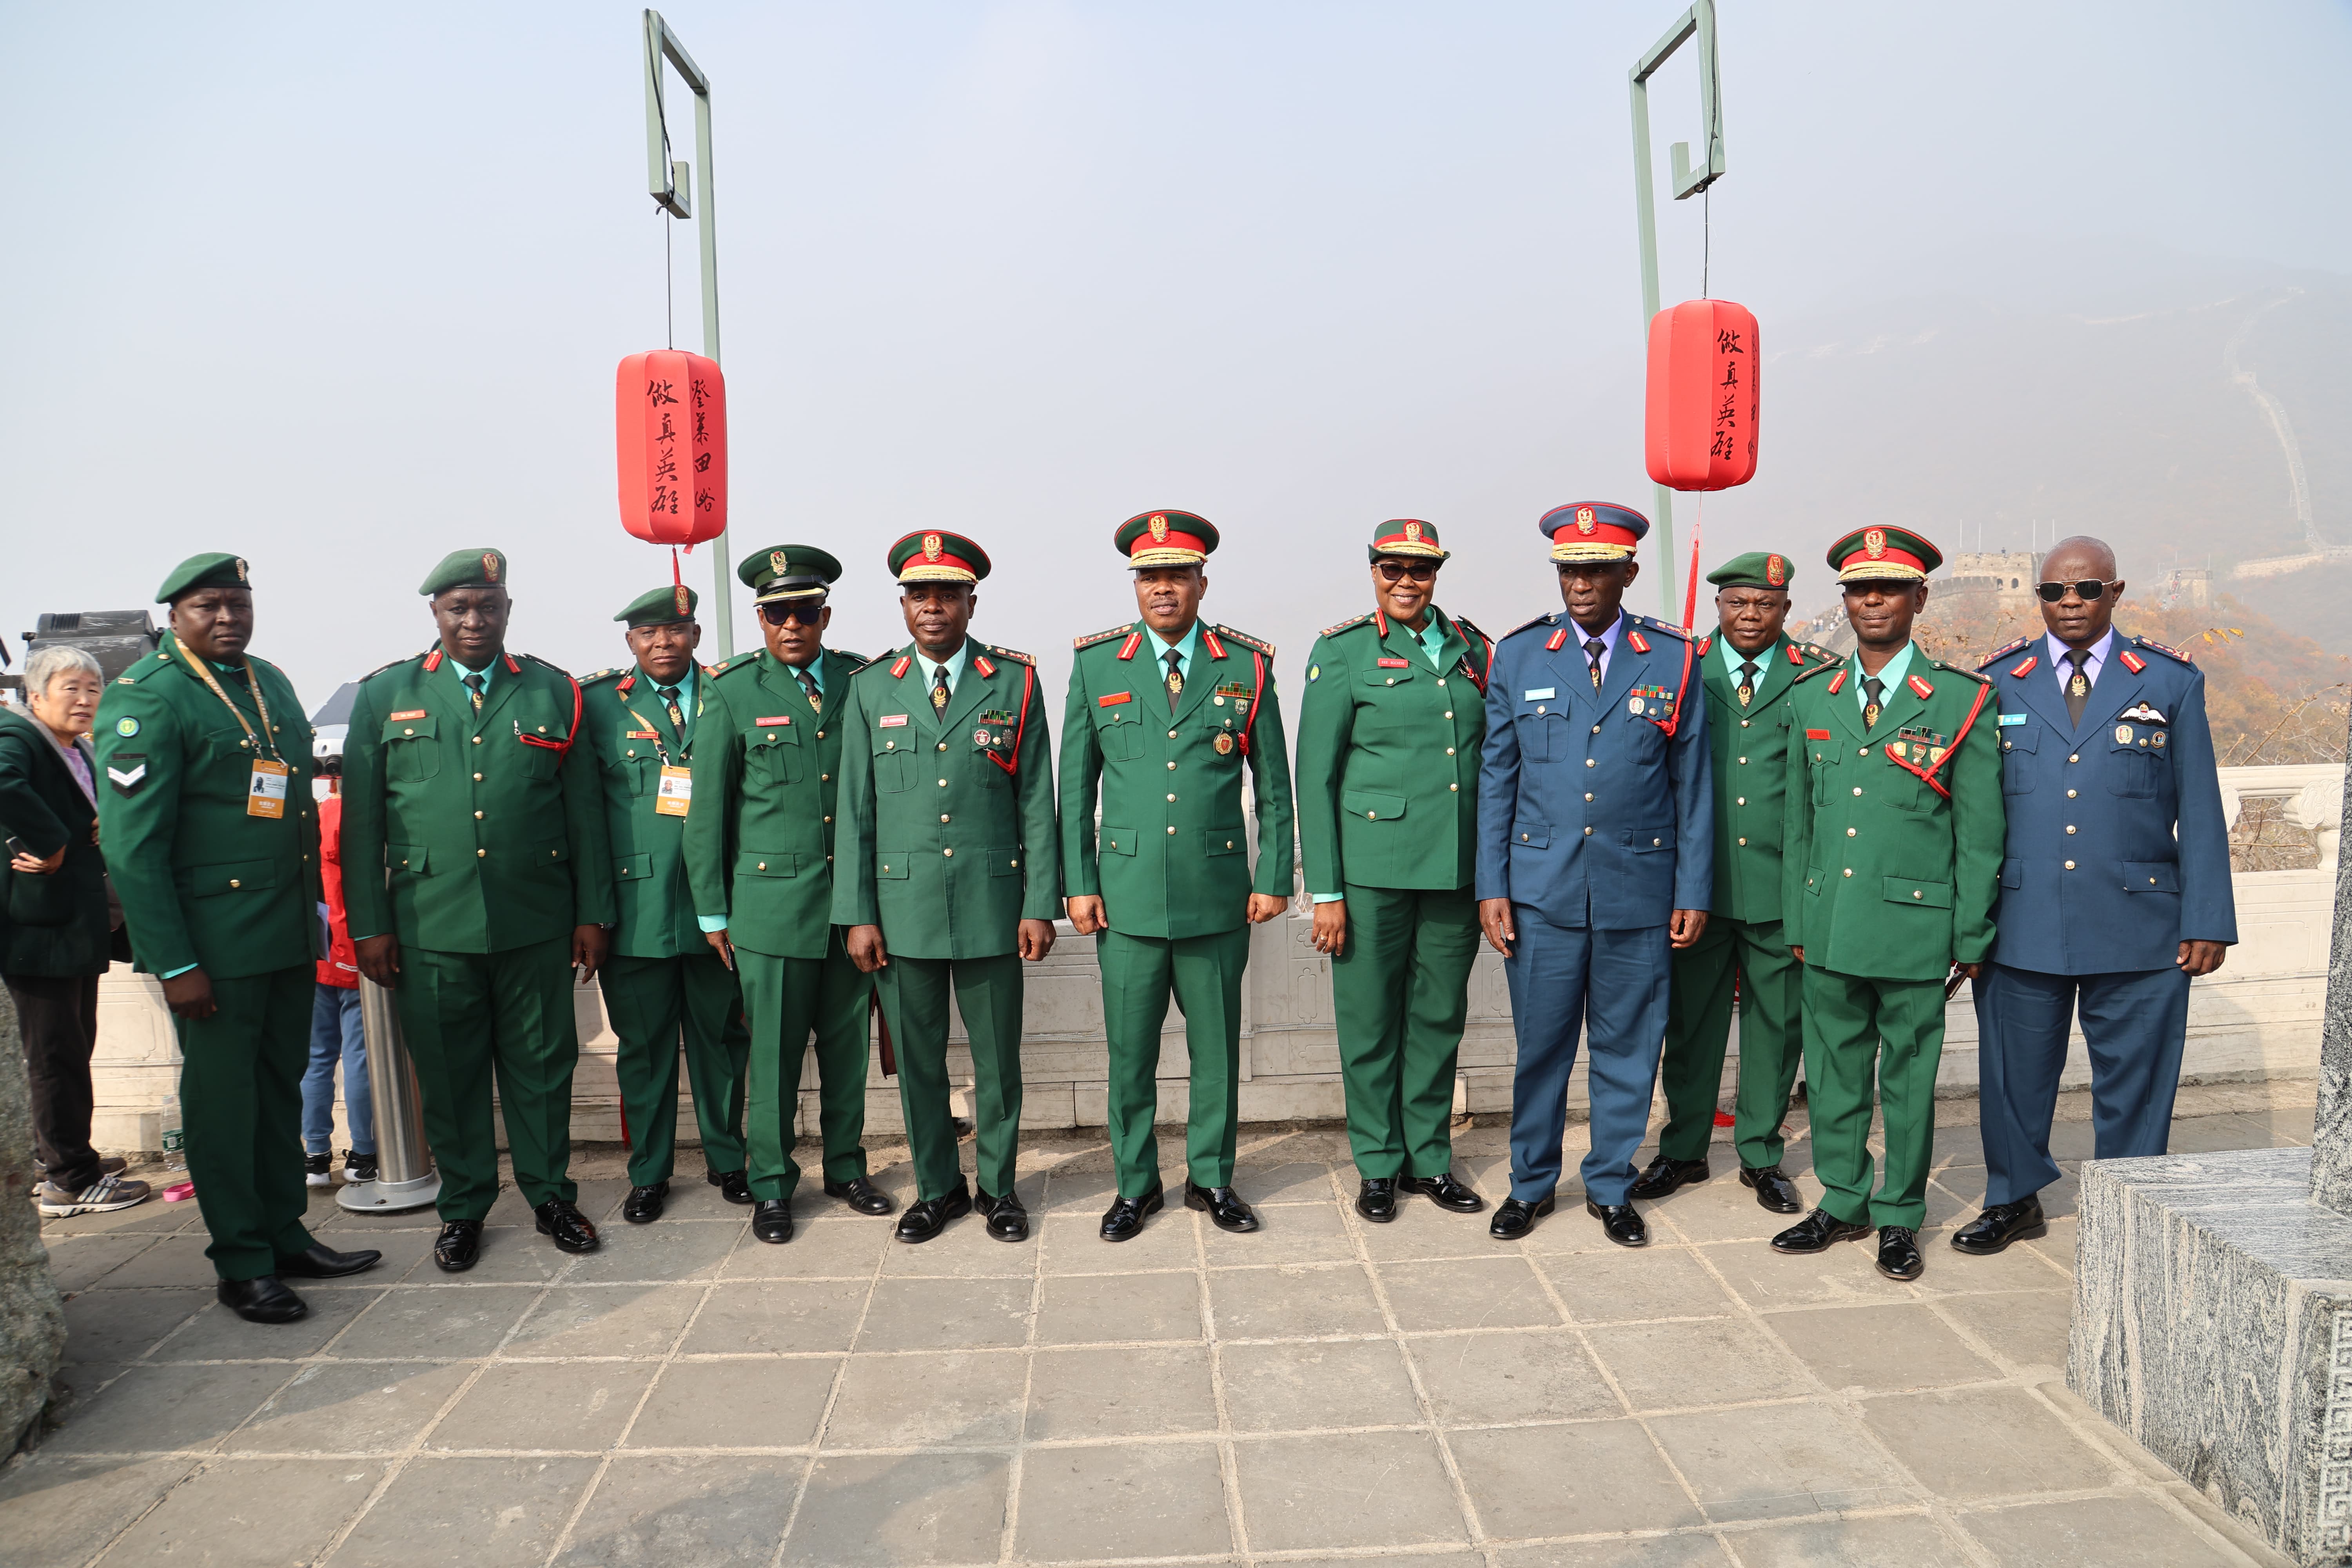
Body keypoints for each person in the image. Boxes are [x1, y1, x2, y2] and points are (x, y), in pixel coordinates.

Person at [92, 554, 379, 1322]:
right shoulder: (147, 699)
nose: (228, 617)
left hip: (286, 935)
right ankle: (243, 1263)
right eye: (209, 605)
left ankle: (286, 1233)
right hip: (212, 950)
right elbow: (134, 848)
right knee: (222, 1106)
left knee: (274, 1090)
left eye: (239, 602)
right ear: (175, 615)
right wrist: (176, 961)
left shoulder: (270, 680)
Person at [1955, 535, 2235, 1256]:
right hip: (2022, 919)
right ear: (2037, 598)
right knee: (2015, 1076)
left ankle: (2130, 1209)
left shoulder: (2170, 683)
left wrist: (2208, 918)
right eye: (2053, 592)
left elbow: (2199, 809)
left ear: (2115, 592)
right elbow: (1971, 816)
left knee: (2137, 1081)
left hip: (2138, 919)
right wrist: (1966, 923)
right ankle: (2013, 1197)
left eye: (2084, 590)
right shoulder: (1999, 682)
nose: (2069, 603)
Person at [341, 548, 615, 1273]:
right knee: (451, 1074)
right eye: (459, 608)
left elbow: (583, 813)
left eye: (488, 607)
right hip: (431, 927)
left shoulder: (555, 692)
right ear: (435, 613)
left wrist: (592, 914)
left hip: (535, 923)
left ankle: (552, 1195)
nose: (474, 620)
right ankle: (463, 1209)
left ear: (507, 612)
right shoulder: (385, 695)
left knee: (543, 1069)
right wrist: (370, 925)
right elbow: (362, 826)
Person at [1475, 503, 1711, 1247]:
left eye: (1598, 568)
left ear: (1629, 573)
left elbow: (1693, 785)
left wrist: (1693, 891)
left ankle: (1611, 1184)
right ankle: (1532, 1185)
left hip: (1638, 891)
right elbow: (1497, 780)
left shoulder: (1672, 658)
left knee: (1627, 1047)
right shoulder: (1518, 656)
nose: (1582, 582)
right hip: (1540, 893)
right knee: (1541, 1047)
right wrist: (1492, 885)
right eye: (1570, 568)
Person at [1773, 526, 2003, 1281]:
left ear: (1919, 598)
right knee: (1835, 1074)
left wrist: (1971, 934)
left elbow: (1978, 834)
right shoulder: (1813, 695)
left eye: (1889, 588)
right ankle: (1844, 1200)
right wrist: (1799, 920)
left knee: (1907, 1081)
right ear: (1844, 598)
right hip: (1830, 925)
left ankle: (1900, 1214)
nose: (1872, 601)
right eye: (1859, 588)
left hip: (1914, 927)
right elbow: (1799, 824)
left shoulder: (1962, 702)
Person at [1061, 510, 1295, 1242]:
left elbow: (1276, 786)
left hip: (1217, 895)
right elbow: (1075, 786)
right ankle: (1136, 1186)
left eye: (1176, 576)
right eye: (1149, 577)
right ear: (1136, 586)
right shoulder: (1099, 665)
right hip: (1125, 900)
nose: (1163, 590)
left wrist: (1275, 875)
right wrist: (1079, 882)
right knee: (1130, 1056)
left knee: (1215, 1052)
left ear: (1201, 582)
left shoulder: (1246, 665)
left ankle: (1212, 1179)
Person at [832, 530, 1060, 1243]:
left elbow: (1037, 802)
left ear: (971, 601)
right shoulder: (871, 688)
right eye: (919, 594)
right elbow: (856, 812)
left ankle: (998, 1189)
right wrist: (858, 915)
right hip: (903, 912)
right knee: (919, 1066)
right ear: (903, 605)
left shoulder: (1015, 681)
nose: (933, 607)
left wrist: (1039, 904)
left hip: (995, 905)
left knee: (998, 1066)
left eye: (948, 594)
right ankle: (938, 1189)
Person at [688, 549, 894, 1247]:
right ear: (761, 619)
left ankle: (846, 1168)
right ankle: (772, 1185)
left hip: (851, 909)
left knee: (847, 1051)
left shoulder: (861, 680)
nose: (792, 626)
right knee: (772, 1057)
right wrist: (714, 912)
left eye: (805, 612)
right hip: (770, 910)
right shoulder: (732, 690)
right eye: (777, 614)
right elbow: (707, 811)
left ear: (825, 616)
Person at [1293, 519, 1492, 1223]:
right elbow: (1313, 776)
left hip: (1455, 871)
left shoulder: (1472, 647)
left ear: (1437, 572)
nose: (1406, 581)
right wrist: (1325, 891)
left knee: (1439, 1019)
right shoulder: (1342, 651)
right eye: (1391, 568)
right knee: (1371, 1023)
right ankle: (1378, 1163)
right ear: (1373, 571)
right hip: (1371, 873)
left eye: (1421, 568)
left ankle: (1429, 1160)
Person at [1634, 553, 1833, 1216]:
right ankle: (1684, 1148)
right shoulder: (1685, 668)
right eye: (1738, 603)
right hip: (1698, 887)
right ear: (1718, 607)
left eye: (1766, 605)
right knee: (1691, 1026)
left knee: (1778, 1030)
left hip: (1780, 887)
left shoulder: (1812, 676)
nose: (1751, 615)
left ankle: (1761, 1154)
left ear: (1785, 609)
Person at [580, 585, 752, 1227]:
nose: (662, 643)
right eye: (648, 632)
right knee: (644, 1050)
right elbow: (587, 822)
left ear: (697, 636)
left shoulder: (729, 693)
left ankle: (727, 1160)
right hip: (636, 915)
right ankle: (649, 1173)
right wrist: (594, 914)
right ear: (630, 642)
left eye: (675, 631)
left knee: (722, 1042)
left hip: (720, 911)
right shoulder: (600, 704)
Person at [5, 645, 146, 1216]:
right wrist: (52, 841)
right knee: (56, 1054)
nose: (87, 699)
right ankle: (69, 1178)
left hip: (75, 925)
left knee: (71, 1046)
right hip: (40, 931)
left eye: (94, 688)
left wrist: (90, 826)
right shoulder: (19, 737)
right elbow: (4, 784)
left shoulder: (76, 747)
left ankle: (62, 1152)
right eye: (72, 688)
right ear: (35, 696)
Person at [302, 753, 374, 1187]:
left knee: (316, 1059)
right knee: (361, 1060)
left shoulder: (314, 814)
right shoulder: (363, 817)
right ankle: (363, 1152)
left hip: (318, 948)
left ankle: (314, 1155)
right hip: (358, 949)